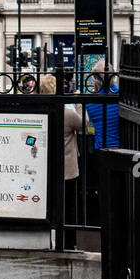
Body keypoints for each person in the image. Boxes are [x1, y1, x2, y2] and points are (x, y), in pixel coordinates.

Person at [39, 73, 82, 247]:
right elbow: (84, 124)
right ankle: (69, 243)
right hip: (67, 171)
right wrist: (79, 103)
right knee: (69, 208)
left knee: (49, 208)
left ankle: (49, 240)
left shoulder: (39, 111)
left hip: (46, 169)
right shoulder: (68, 114)